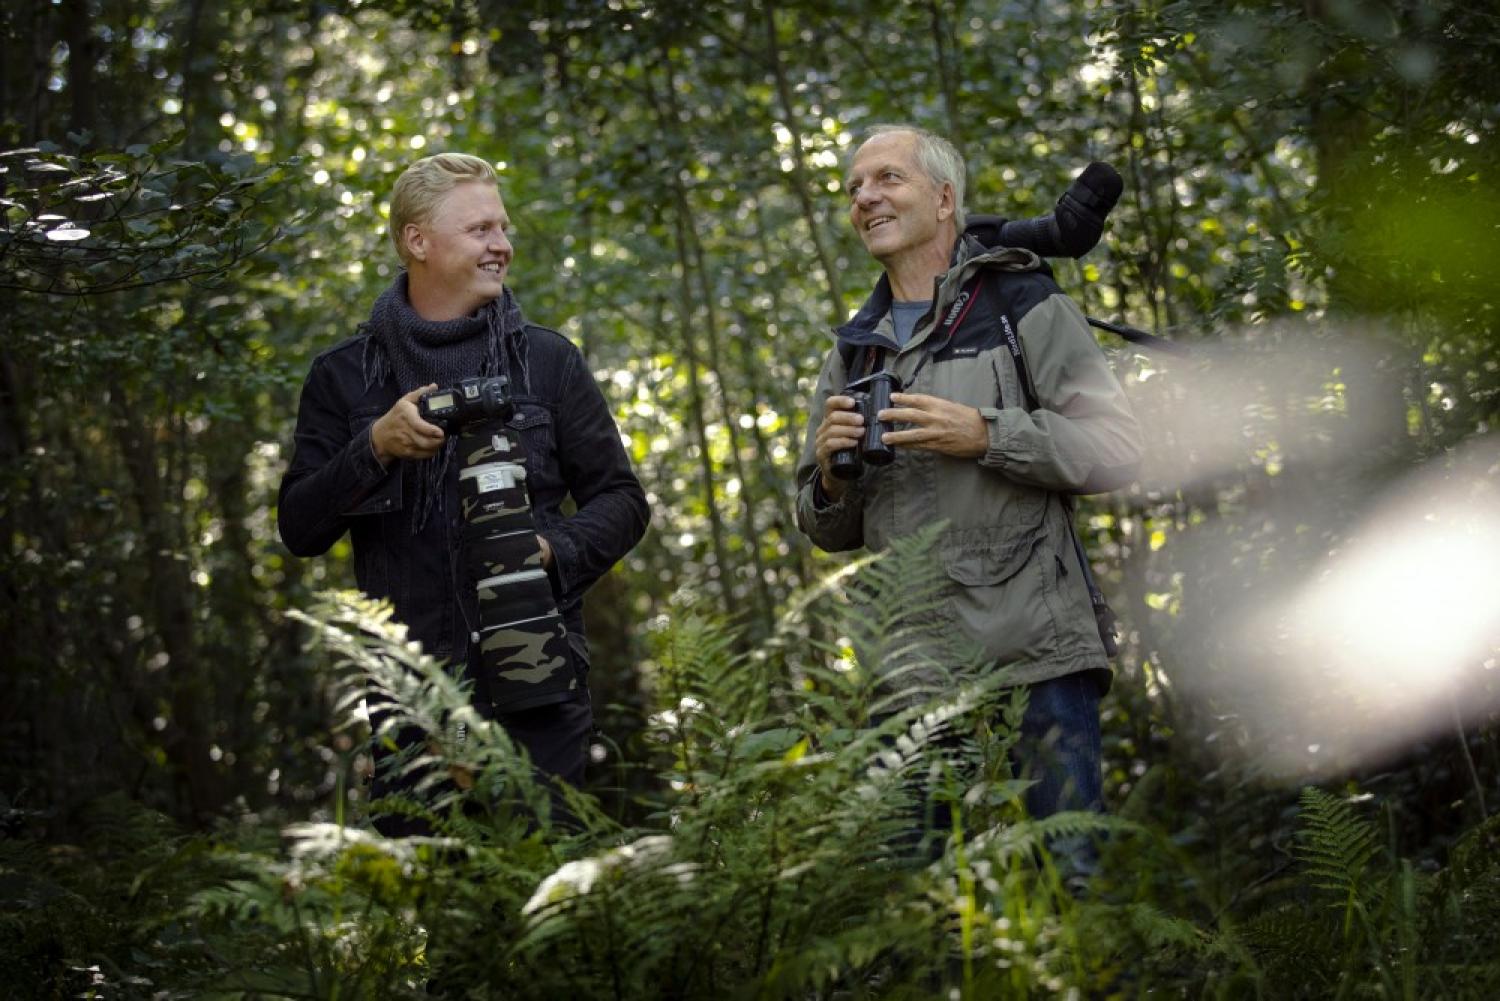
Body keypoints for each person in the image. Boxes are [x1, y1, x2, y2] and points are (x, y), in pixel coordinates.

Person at [279, 153, 649, 834]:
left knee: (537, 897)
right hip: (411, 695)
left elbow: (623, 501)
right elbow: (299, 526)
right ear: (418, 241)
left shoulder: (548, 360)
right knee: (438, 911)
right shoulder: (343, 378)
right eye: (480, 229)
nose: (502, 244)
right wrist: (375, 447)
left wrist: (551, 547)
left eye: (502, 228)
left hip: (538, 683)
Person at [795, 125, 1143, 834]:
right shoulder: (853, 351)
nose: (866, 197)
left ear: (945, 198)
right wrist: (829, 480)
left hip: (1035, 658)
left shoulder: (1023, 304)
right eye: (854, 188)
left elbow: (1119, 447)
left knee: (1066, 886)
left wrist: (987, 434)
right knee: (924, 917)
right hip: (909, 676)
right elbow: (825, 527)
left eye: (887, 178)